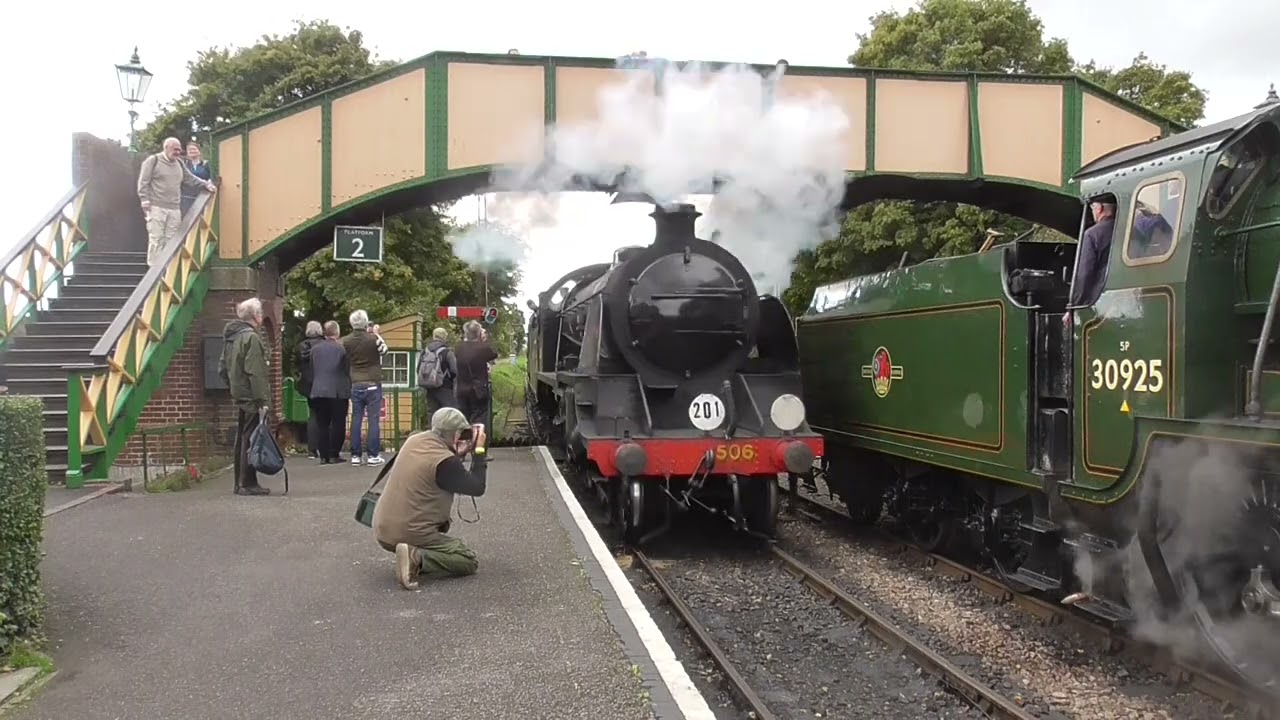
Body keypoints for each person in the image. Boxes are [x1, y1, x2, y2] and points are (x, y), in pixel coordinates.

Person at [372, 407, 488, 590]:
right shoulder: (445, 462)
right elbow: (476, 487)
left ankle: (412, 553)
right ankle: (417, 557)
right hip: (408, 531)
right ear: (457, 435)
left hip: (382, 530)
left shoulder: (415, 440)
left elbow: (437, 467)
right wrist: (479, 451)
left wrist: (459, 452)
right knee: (467, 560)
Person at [218, 297, 272, 496]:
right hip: (251, 396)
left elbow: (222, 368)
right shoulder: (251, 338)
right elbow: (255, 371)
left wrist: (234, 387)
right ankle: (247, 482)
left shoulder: (231, 338)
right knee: (252, 438)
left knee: (242, 437)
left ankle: (240, 482)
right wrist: (262, 400)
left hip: (239, 393)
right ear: (256, 316)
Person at [137, 137, 217, 266]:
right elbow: (143, 182)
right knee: (157, 238)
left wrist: (205, 184)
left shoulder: (179, 163)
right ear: (166, 147)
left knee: (172, 239)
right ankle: (154, 269)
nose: (178, 152)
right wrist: (144, 199)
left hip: (174, 208)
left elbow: (190, 178)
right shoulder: (153, 161)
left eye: (179, 149)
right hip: (157, 206)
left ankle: (169, 269)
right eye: (175, 149)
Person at [342, 309, 387, 466]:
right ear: (366, 323)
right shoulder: (373, 339)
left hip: (355, 383)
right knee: (373, 419)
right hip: (373, 383)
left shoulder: (345, 341)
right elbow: (384, 350)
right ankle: (373, 455)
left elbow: (342, 358)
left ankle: (355, 455)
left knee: (356, 418)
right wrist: (376, 334)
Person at [1065, 200, 1117, 325]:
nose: (1092, 211)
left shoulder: (1091, 235)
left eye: (1092, 207)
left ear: (1099, 208)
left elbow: (1084, 274)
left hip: (1100, 301)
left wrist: (1073, 307)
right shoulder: (1129, 230)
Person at [307, 322, 350, 464]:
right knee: (338, 423)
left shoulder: (315, 350)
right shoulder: (341, 349)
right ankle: (334, 454)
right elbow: (345, 370)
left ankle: (323, 456)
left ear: (325, 333)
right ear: (337, 333)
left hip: (318, 390)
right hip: (337, 391)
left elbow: (312, 369)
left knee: (322, 424)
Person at [454, 320, 498, 431]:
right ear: (478, 334)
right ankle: (478, 446)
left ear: (465, 333)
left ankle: (465, 444)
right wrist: (483, 340)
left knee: (464, 420)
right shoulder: (482, 348)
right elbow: (494, 354)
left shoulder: (458, 348)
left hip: (461, 390)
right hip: (478, 391)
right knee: (479, 420)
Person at [296, 321, 324, 460]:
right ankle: (325, 447)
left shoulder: (302, 346)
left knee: (312, 415)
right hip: (324, 384)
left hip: (308, 385)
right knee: (326, 416)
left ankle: (312, 450)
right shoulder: (324, 345)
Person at [418, 327, 459, 414]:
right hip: (445, 387)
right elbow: (454, 370)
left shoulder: (425, 351)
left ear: (433, 336)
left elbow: (418, 369)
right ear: (444, 337)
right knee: (448, 412)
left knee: (432, 412)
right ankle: (446, 428)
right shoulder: (447, 352)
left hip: (430, 387)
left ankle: (433, 427)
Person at [180, 141, 213, 217]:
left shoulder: (206, 164)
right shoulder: (184, 166)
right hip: (188, 196)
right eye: (189, 150)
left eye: (194, 149)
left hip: (203, 194)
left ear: (199, 151)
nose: (192, 151)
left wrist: (209, 183)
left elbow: (211, 177)